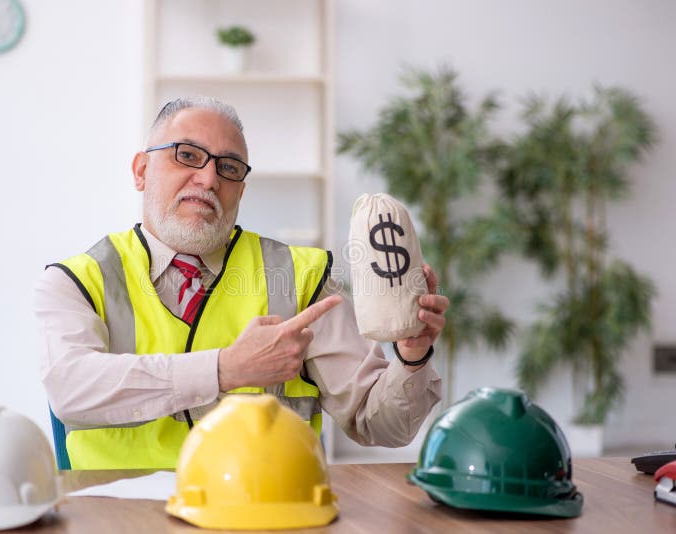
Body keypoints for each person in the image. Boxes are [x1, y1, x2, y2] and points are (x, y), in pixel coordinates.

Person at [35, 97, 449, 470]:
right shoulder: (77, 281)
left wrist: (412, 356)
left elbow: (380, 426)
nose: (208, 178)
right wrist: (223, 370)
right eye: (188, 155)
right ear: (142, 170)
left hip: (268, 511)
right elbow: (70, 389)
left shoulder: (301, 276)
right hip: (121, 516)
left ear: (240, 190)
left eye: (228, 167)